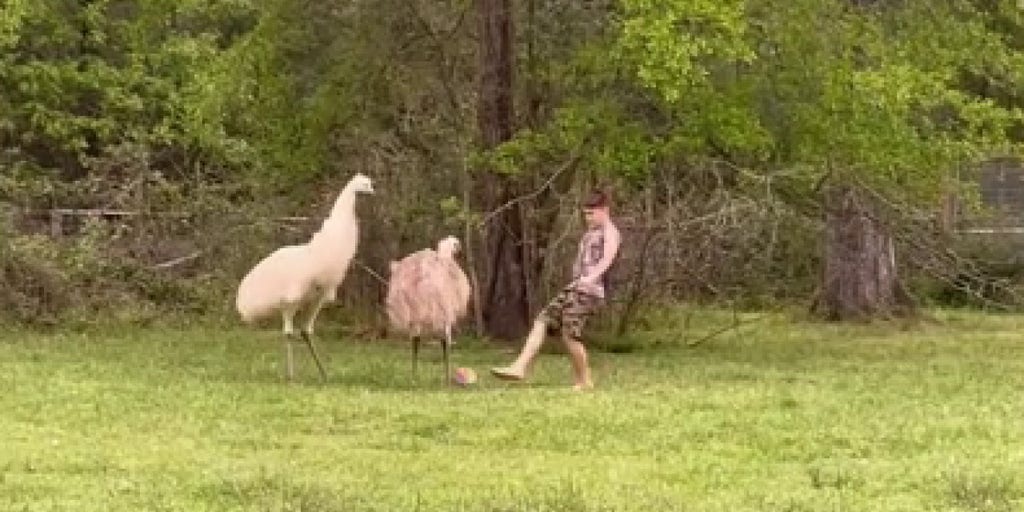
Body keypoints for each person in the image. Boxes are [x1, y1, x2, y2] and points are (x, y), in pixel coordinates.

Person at [490, 188, 621, 390]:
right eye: (585, 214)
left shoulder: (610, 233)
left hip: (591, 291)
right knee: (542, 321)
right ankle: (519, 367)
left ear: (604, 210)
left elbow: (607, 259)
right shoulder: (589, 234)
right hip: (576, 287)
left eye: (591, 213)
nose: (588, 218)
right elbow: (581, 261)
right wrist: (576, 277)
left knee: (570, 335)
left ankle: (584, 381)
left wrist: (591, 278)